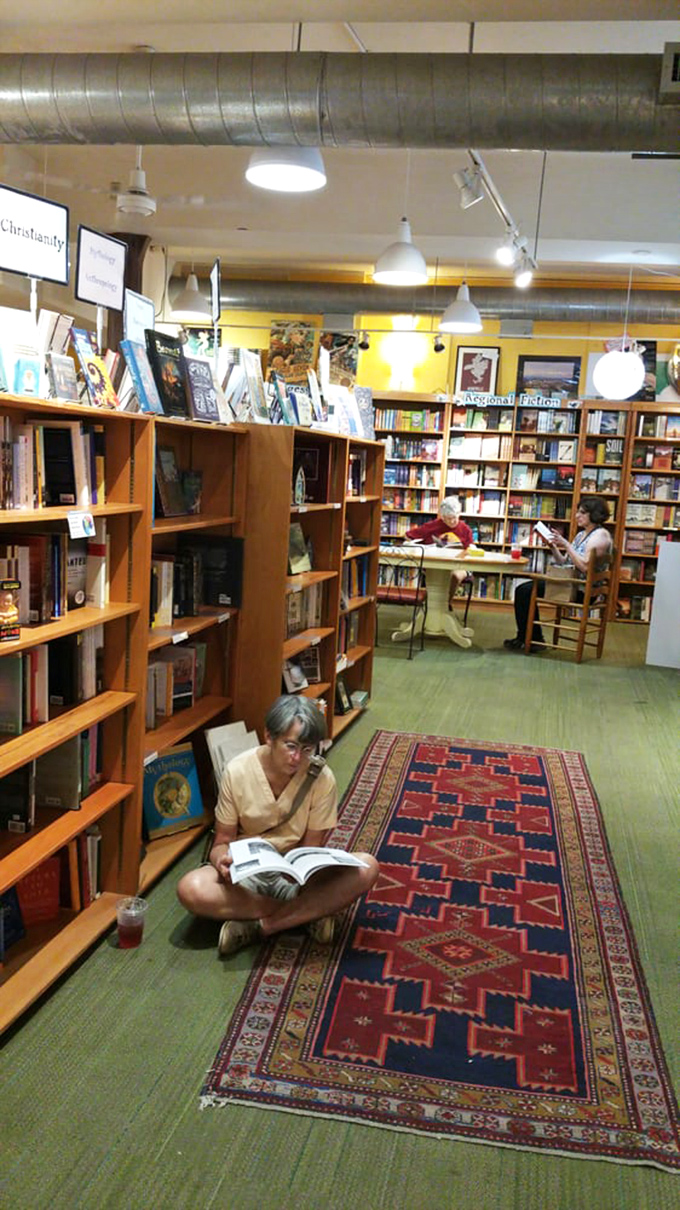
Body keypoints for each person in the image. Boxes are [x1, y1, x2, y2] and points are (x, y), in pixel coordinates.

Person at [176, 695, 379, 956]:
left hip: (293, 876)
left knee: (368, 867)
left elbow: (312, 847)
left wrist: (300, 873)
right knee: (190, 889)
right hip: (246, 875)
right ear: (268, 737)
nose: (298, 758)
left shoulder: (321, 778)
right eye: (290, 746)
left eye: (307, 749)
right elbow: (221, 841)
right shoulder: (237, 771)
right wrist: (221, 862)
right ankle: (306, 914)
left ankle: (263, 925)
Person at [504, 495, 613, 651]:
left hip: (582, 589)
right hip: (569, 584)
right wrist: (552, 546)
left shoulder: (601, 536)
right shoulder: (582, 534)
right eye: (578, 512)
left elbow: (586, 567)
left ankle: (532, 639)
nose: (577, 516)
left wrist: (566, 544)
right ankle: (526, 637)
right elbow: (564, 562)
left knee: (525, 591)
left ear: (594, 514)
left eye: (582, 513)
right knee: (522, 590)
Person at [403, 496, 475, 648]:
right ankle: (434, 612)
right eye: (448, 519)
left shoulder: (464, 529)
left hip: (459, 564)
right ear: (442, 517)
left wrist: (469, 551)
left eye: (455, 518)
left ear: (459, 515)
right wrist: (416, 544)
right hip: (436, 565)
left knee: (454, 575)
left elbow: (471, 547)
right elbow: (408, 535)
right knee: (435, 577)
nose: (452, 522)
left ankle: (444, 606)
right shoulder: (434, 526)